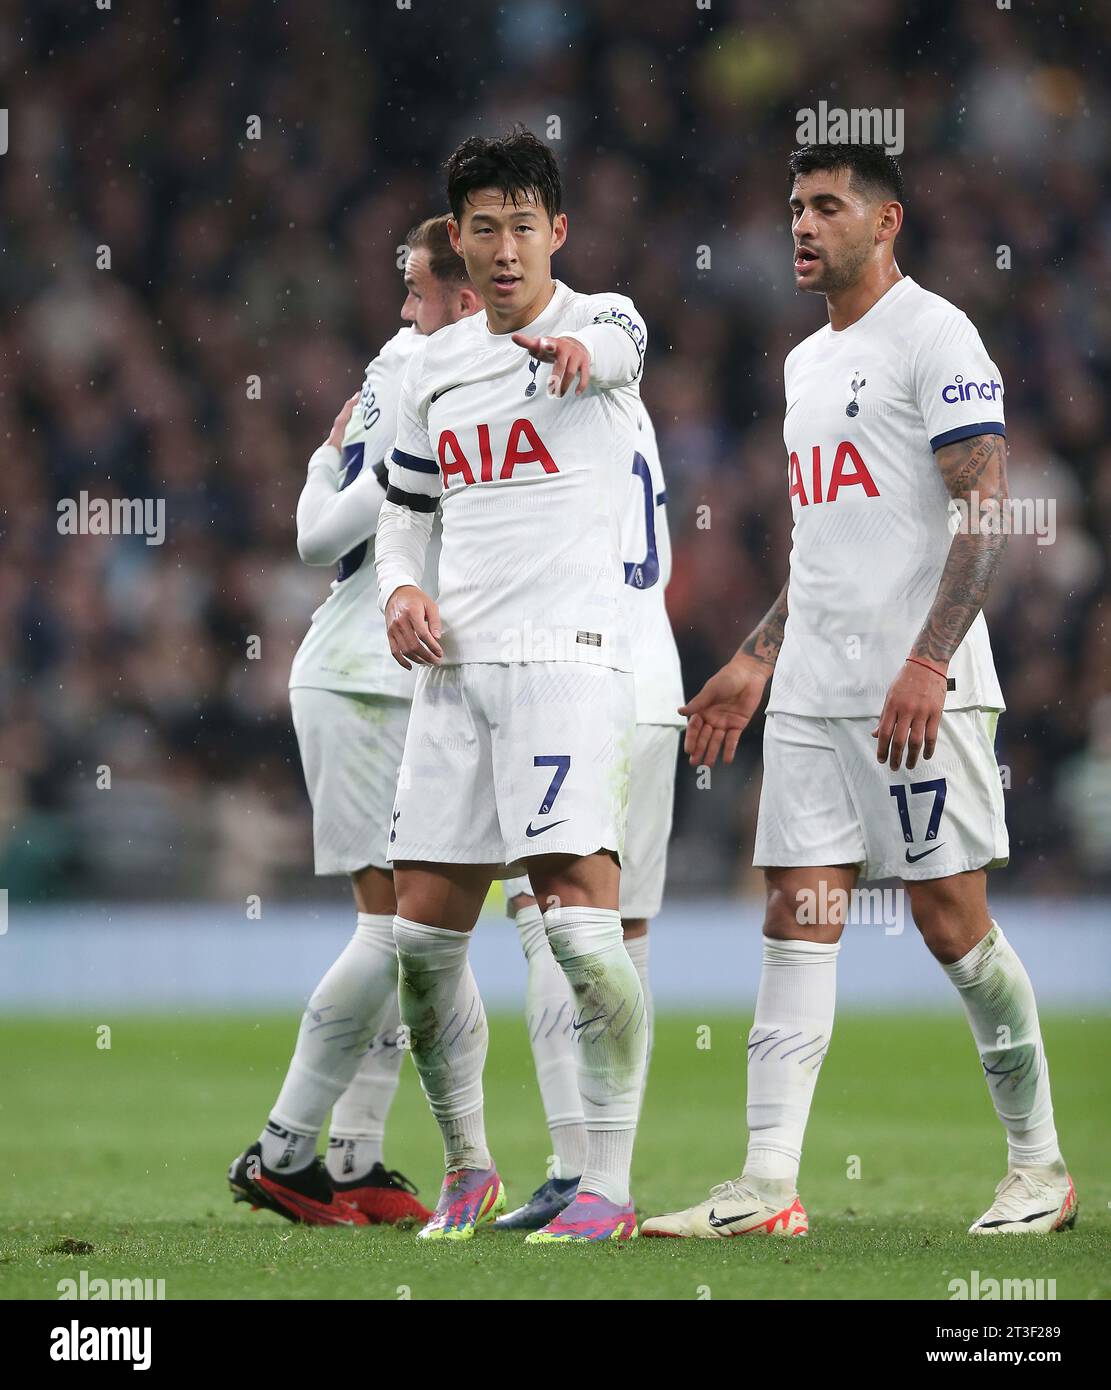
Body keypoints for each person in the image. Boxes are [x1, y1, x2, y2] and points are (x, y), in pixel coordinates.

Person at [642, 144, 1075, 1240]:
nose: (802, 224)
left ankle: (1040, 1168)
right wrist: (756, 652)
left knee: (948, 921)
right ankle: (768, 1184)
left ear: (885, 221)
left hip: (916, 690)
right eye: (793, 206)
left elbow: (984, 510)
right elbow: (827, 542)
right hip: (813, 694)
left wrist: (929, 659)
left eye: (826, 206)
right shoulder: (802, 364)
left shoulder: (937, 334)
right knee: (798, 912)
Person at [375, 127, 649, 1243]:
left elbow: (624, 348)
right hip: (454, 676)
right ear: (456, 237)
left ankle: (609, 1186)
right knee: (420, 948)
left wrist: (581, 353)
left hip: (566, 663)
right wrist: (399, 590)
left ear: (558, 233)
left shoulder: (604, 318)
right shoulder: (428, 369)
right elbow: (404, 512)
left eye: (522, 228)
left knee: (583, 935)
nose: (502, 250)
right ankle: (468, 1167)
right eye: (481, 228)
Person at [227, 216, 481, 1225]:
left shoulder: (403, 361)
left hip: (397, 676)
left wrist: (321, 463)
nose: (404, 307)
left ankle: (356, 1155)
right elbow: (317, 538)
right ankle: (286, 1149)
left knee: (412, 933)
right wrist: (336, 474)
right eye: (409, 289)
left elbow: (315, 523)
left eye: (415, 288)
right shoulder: (428, 366)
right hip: (362, 673)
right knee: (397, 928)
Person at [493, 400, 684, 1231]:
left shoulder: (528, 396)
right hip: (654, 676)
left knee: (549, 912)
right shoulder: (625, 404)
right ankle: (608, 1181)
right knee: (623, 928)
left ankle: (579, 1171)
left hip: (578, 675)